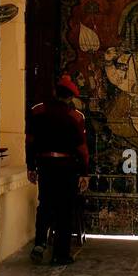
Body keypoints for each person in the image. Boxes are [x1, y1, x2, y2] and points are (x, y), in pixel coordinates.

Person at [26, 75, 89, 265]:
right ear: (71, 97)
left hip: (45, 166)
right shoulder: (76, 117)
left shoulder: (38, 111)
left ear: (55, 92)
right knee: (64, 210)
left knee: (44, 205)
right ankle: (60, 254)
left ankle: (40, 243)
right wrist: (85, 173)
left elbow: (30, 141)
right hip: (67, 168)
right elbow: (82, 149)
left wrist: (31, 166)